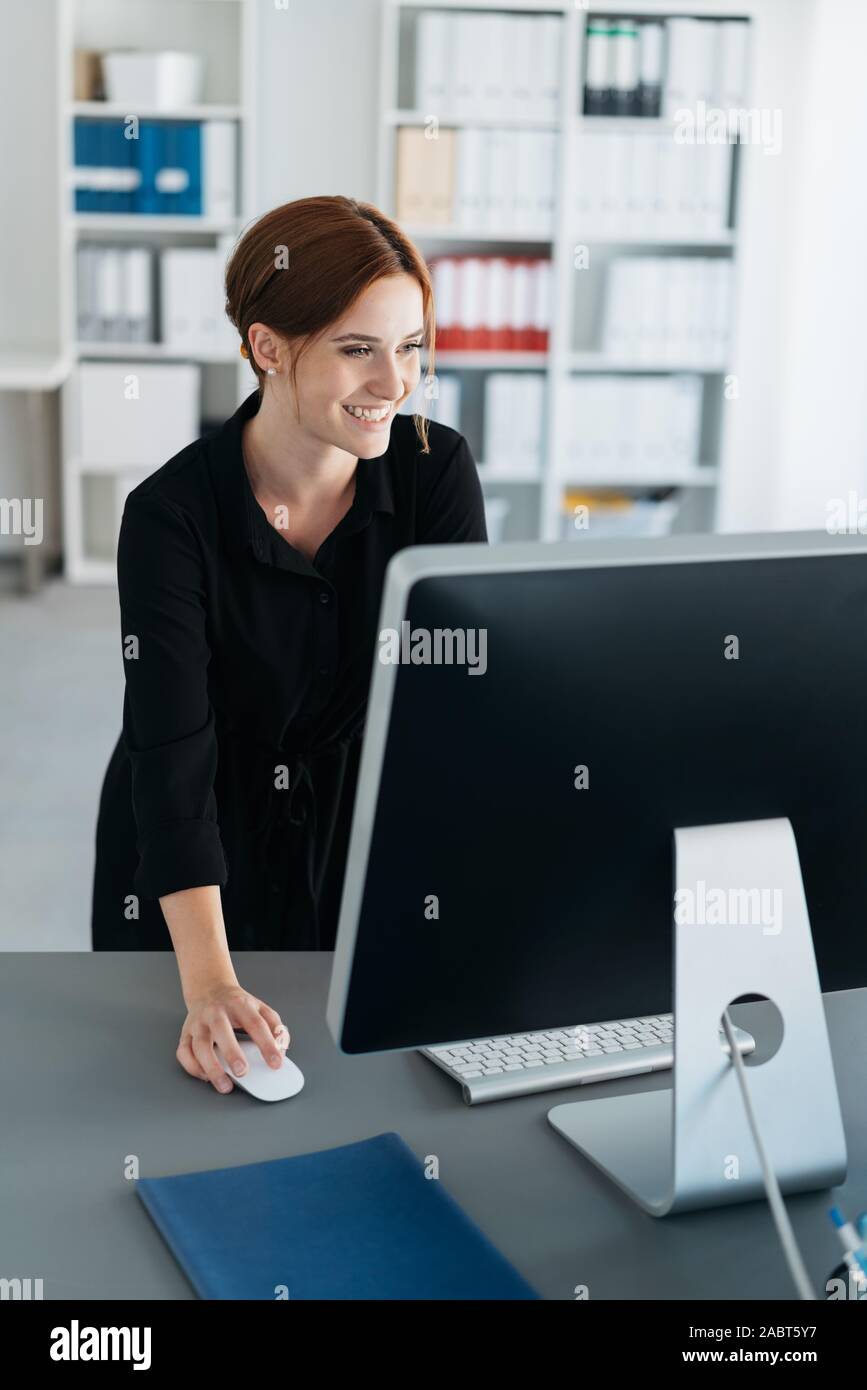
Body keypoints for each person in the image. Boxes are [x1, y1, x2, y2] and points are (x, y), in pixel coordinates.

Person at [91, 195, 488, 1094]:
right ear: (268, 347)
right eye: (358, 348)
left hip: (356, 822)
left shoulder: (435, 473)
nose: (396, 383)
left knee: (363, 1082)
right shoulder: (169, 519)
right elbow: (170, 749)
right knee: (170, 1092)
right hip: (194, 837)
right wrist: (210, 980)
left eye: (412, 346)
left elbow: (455, 708)